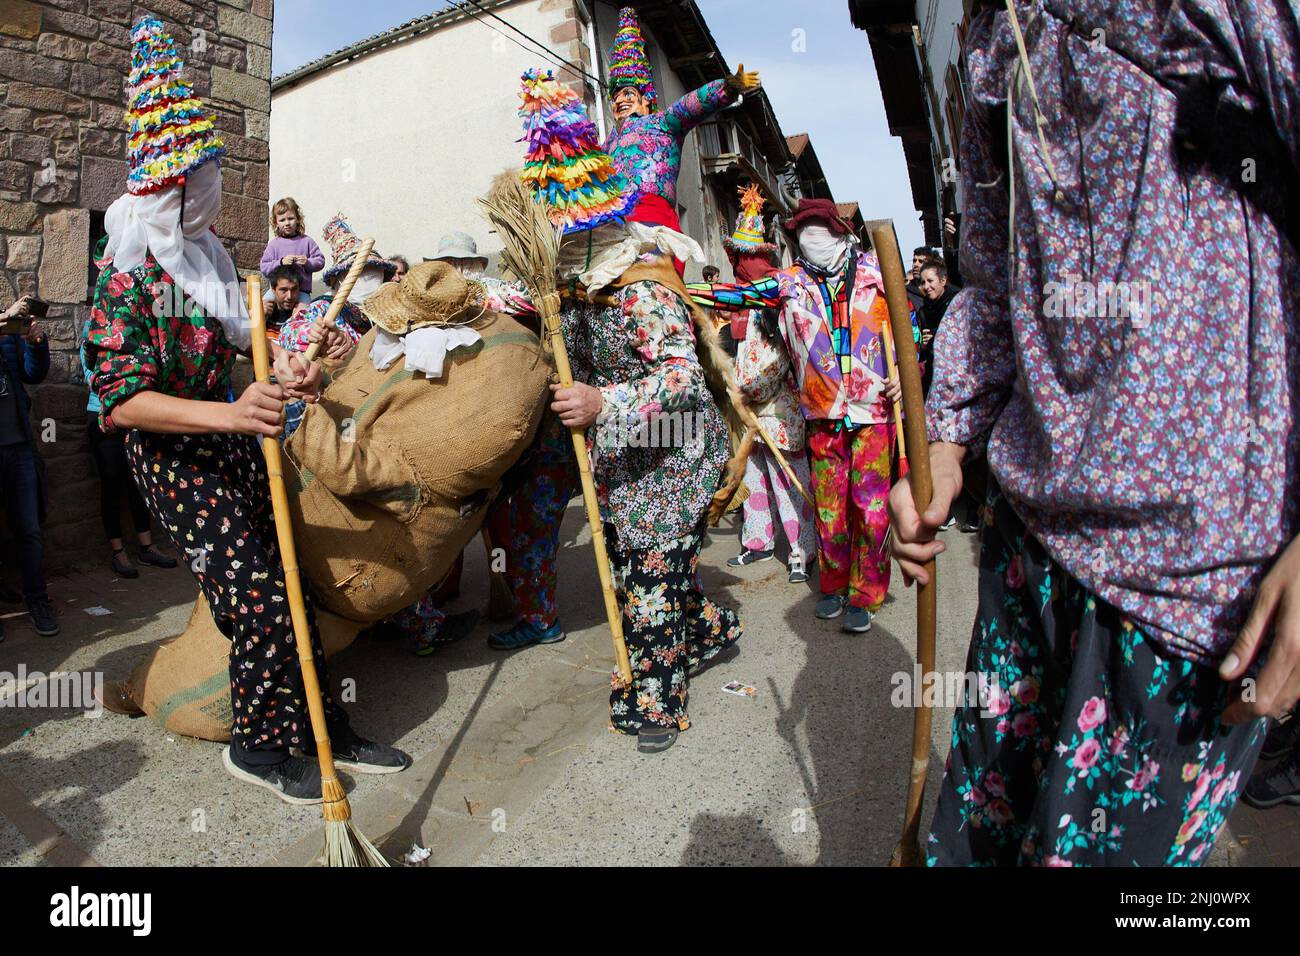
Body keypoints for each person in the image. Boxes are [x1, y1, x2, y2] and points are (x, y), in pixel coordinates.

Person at [887, 0, 1296, 866]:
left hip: (1193, 579)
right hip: (1032, 547)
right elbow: (992, 286)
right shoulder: (998, 47)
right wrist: (947, 447)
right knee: (970, 850)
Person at [85, 18, 408, 804]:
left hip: (229, 441)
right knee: (258, 595)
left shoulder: (208, 268)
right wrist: (235, 417)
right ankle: (262, 749)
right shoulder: (124, 284)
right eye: (197, 180)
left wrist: (295, 371)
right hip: (174, 458)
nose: (210, 194)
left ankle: (324, 721)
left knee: (295, 581)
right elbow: (125, 405)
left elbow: (248, 358)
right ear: (166, 189)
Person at [691, 198, 905, 633]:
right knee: (830, 507)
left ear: (842, 232)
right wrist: (669, 286)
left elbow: (908, 330)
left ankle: (866, 593)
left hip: (874, 411)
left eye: (819, 226)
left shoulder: (878, 276)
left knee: (871, 507)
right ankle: (833, 585)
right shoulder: (787, 284)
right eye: (803, 228)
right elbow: (730, 296)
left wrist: (906, 370)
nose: (811, 236)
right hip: (823, 413)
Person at [602, 7, 760, 271]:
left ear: (647, 99)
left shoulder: (663, 123)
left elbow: (692, 104)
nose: (619, 100)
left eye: (628, 93)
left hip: (654, 224)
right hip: (613, 229)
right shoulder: (606, 144)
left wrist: (727, 88)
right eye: (615, 96)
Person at [719, 186, 815, 582]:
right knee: (754, 475)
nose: (740, 265)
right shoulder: (742, 301)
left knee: (787, 479)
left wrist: (749, 392)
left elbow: (781, 358)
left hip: (777, 409)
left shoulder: (776, 297)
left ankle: (801, 549)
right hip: (749, 410)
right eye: (737, 258)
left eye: (745, 258)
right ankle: (757, 542)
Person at [80, 314, 178, 581]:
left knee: (139, 479)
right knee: (112, 482)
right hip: (102, 413)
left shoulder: (137, 323)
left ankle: (146, 546)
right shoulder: (93, 327)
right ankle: (118, 551)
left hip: (136, 412)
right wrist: (119, 385)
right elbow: (90, 372)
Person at [0, 294, 57, 638]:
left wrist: (36, 344)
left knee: (29, 530)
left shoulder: (9, 337)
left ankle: (37, 599)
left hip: (18, 448)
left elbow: (33, 375)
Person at [259, 197, 324, 302]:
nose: (287, 223)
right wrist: (280, 262)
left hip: (301, 292)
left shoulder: (307, 241)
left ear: (298, 219)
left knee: (303, 312)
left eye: (290, 218)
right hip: (277, 292)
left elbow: (320, 261)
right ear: (276, 223)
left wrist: (307, 263)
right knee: (263, 307)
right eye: (282, 220)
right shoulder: (274, 245)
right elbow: (264, 267)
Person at [263, 264, 305, 332]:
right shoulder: (265, 311)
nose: (289, 296)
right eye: (284, 290)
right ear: (273, 290)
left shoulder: (305, 312)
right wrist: (260, 317)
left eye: (294, 289)